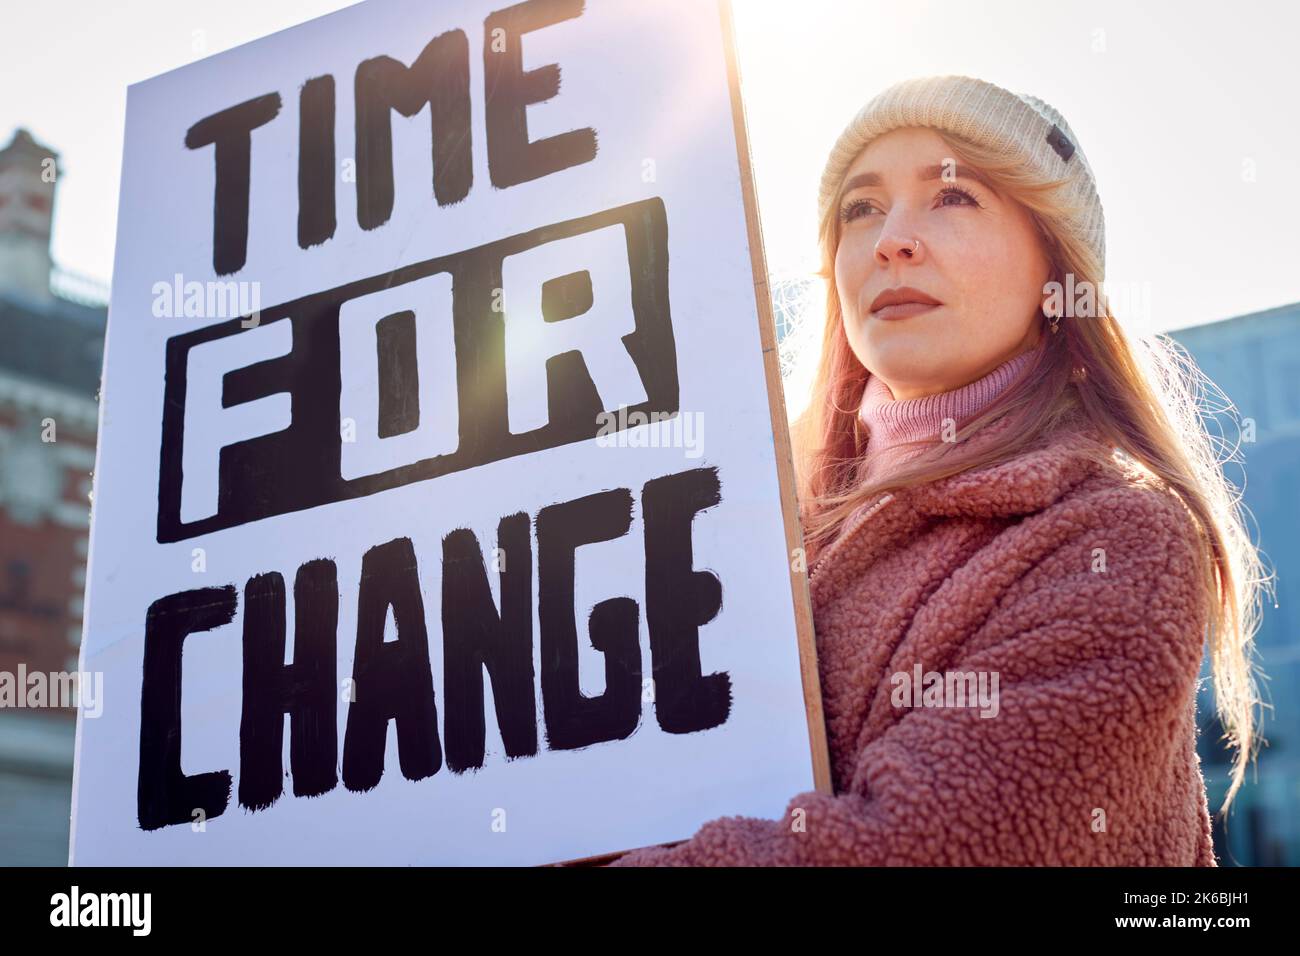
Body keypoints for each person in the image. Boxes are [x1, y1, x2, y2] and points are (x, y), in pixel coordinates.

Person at [608, 74, 1268, 867]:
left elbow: (919, 847)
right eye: (861, 208)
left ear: (1056, 274)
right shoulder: (742, 530)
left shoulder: (1117, 533)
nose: (892, 238)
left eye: (953, 197)